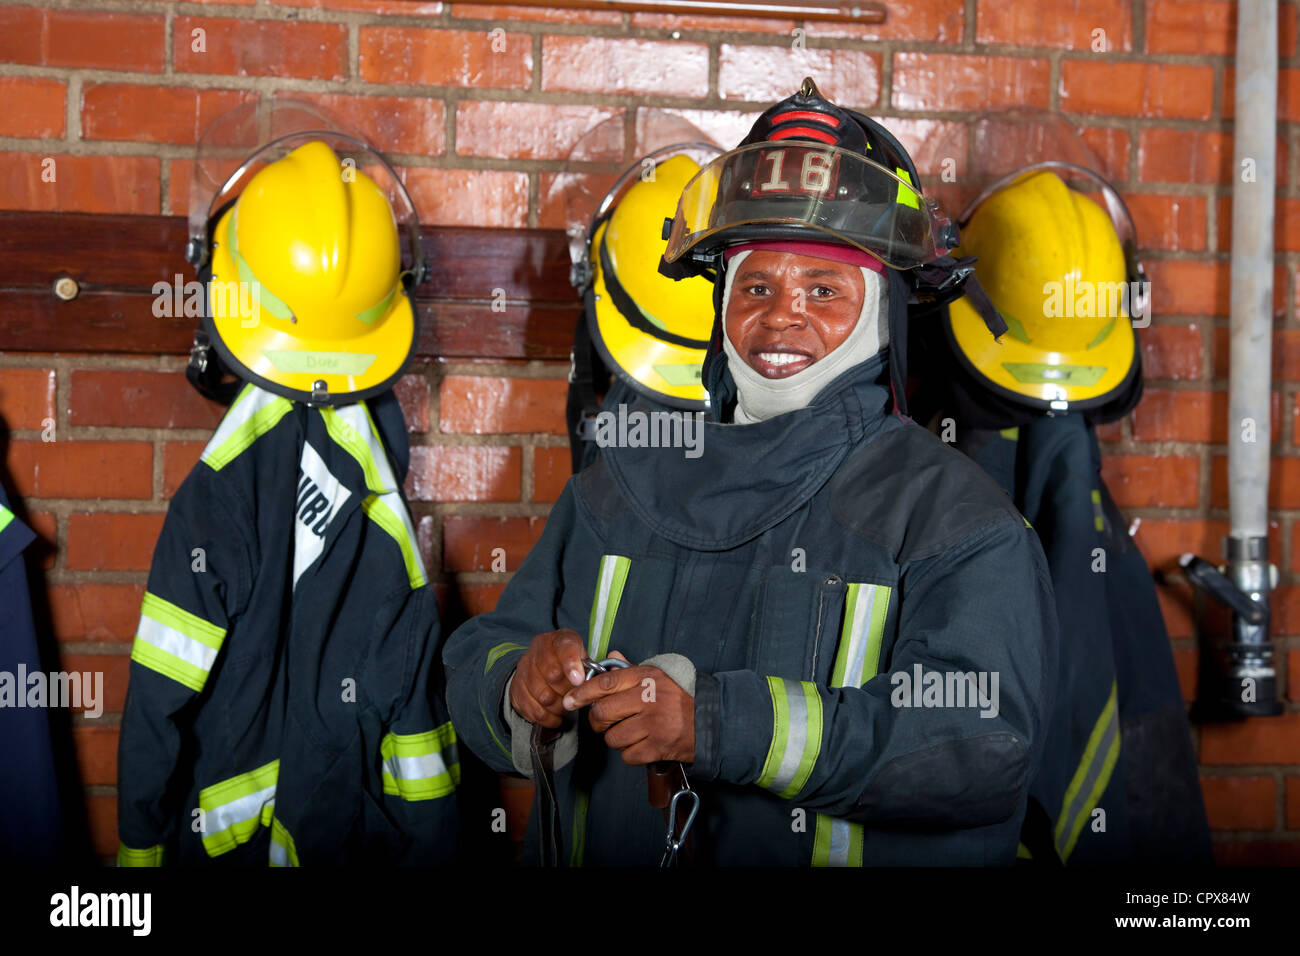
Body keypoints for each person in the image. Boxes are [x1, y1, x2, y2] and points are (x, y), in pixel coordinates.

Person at [443, 79, 1059, 866]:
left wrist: (720, 726)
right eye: (755, 285)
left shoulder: (953, 521)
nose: (781, 315)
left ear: (880, 314)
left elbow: (981, 745)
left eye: (825, 290)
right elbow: (487, 652)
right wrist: (517, 691)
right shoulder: (620, 481)